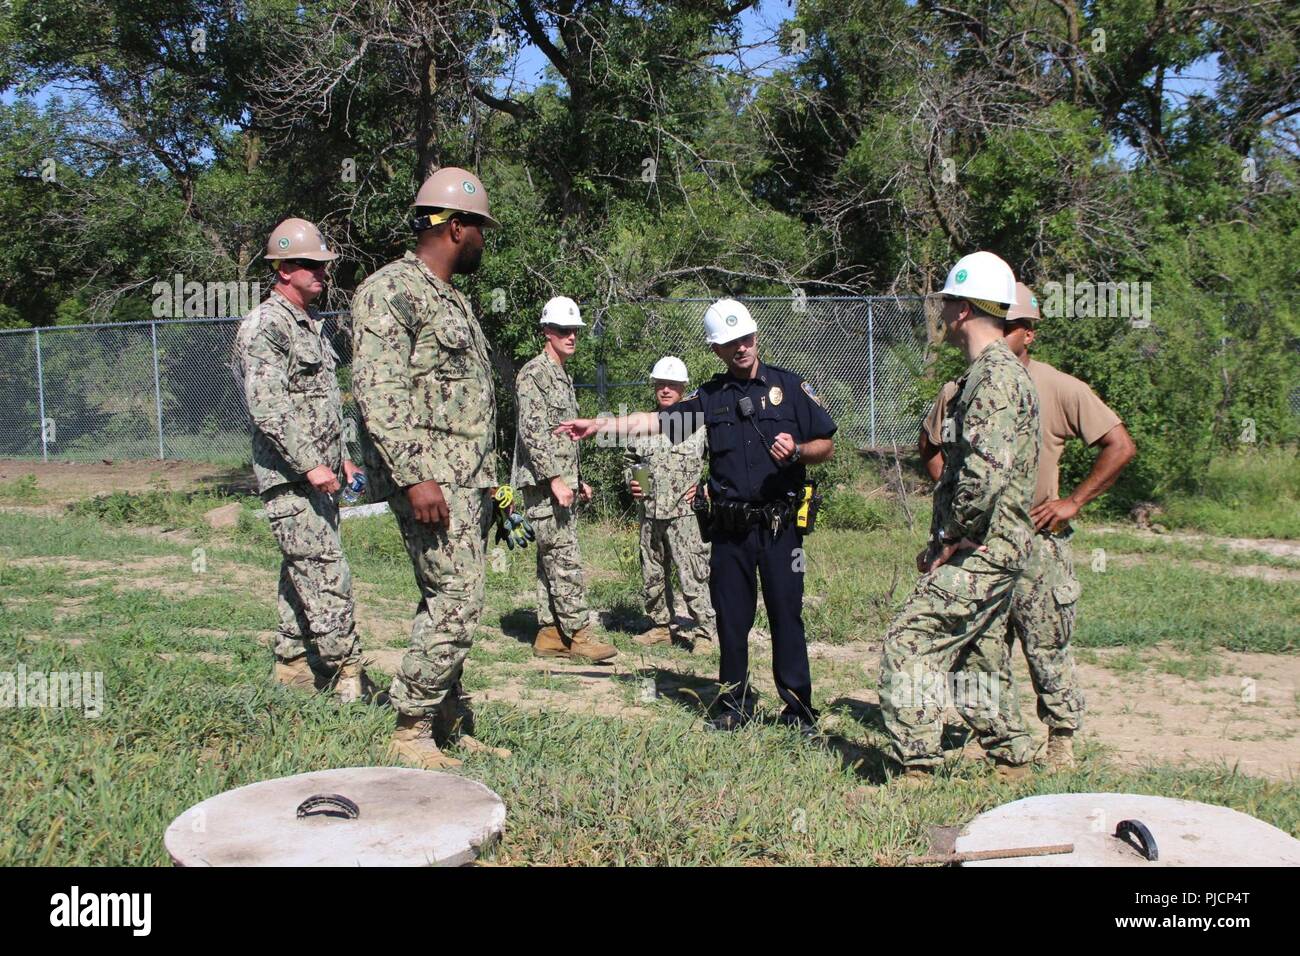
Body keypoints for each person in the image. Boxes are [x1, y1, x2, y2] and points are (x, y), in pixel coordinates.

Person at [555, 298, 837, 735]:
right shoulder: (710, 398)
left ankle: (799, 710)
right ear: (716, 350)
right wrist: (600, 425)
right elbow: (655, 422)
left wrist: (799, 450)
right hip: (729, 530)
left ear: (756, 336)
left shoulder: (790, 386)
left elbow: (826, 443)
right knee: (731, 619)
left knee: (786, 614)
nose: (741, 347)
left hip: (779, 528)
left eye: (746, 338)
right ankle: (733, 705)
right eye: (730, 342)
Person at [918, 282, 1136, 767]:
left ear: (1029, 333)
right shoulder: (962, 387)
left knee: (1046, 643)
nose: (1006, 333)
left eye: (1016, 326)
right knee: (979, 645)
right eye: (1002, 322)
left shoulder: (1057, 386)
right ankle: (1000, 738)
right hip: (981, 543)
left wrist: (1072, 502)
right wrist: (955, 508)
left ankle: (1061, 738)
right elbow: (930, 447)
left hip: (1038, 543)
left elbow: (1119, 444)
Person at [350, 167, 509, 769]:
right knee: (456, 599)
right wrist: (416, 476)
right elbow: (378, 390)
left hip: (467, 481)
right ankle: (411, 729)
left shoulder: (451, 299)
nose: (483, 241)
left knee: (447, 597)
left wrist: (489, 483)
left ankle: (447, 717)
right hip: (432, 479)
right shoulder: (390, 290)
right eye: (481, 229)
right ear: (457, 227)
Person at [878, 251, 1040, 785]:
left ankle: (917, 764)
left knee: (909, 639)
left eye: (947, 301)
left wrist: (953, 535)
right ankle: (1011, 757)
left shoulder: (993, 377)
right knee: (975, 650)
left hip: (984, 546)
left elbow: (985, 474)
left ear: (965, 309)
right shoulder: (991, 374)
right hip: (994, 544)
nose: (942, 311)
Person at [234, 218, 371, 702]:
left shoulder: (310, 325)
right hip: (291, 479)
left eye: (323, 265)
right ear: (284, 268)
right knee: (326, 573)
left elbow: (324, 403)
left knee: (303, 569)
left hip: (321, 478)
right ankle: (347, 674)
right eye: (311, 265)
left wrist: (343, 459)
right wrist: (311, 464)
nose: (321, 273)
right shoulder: (265, 326)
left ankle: (292, 663)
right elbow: (269, 407)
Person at [510, 296, 617, 662]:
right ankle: (580, 634)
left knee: (550, 558)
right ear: (547, 331)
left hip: (558, 482)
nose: (571, 336)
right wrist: (555, 479)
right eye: (563, 330)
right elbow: (532, 432)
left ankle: (550, 632)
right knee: (564, 557)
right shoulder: (534, 374)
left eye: (574, 330)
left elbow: (563, 436)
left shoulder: (561, 374)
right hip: (544, 486)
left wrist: (576, 479)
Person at [624, 356, 717, 652]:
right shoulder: (643, 425)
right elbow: (630, 460)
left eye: (672, 385)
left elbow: (724, 460)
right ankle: (660, 627)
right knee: (652, 570)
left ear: (683, 388)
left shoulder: (698, 425)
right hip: (651, 512)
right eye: (661, 384)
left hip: (685, 515)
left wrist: (710, 488)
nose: (665, 390)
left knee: (693, 572)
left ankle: (704, 632)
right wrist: (631, 480)